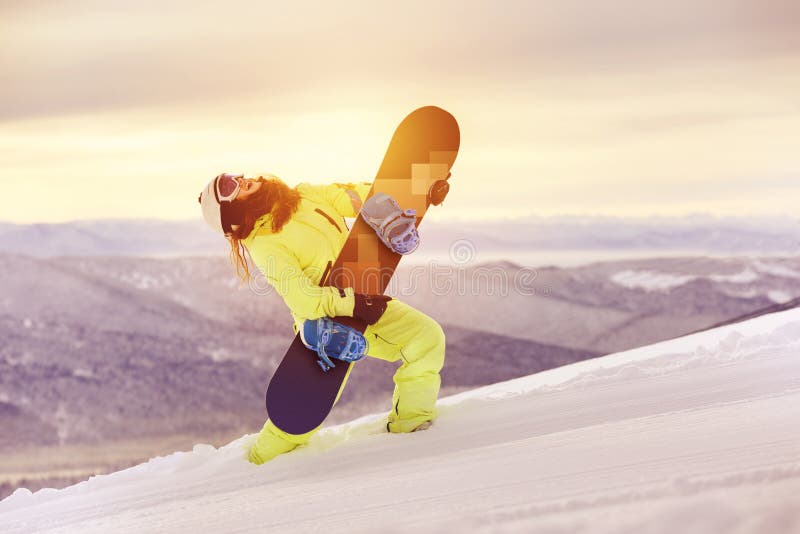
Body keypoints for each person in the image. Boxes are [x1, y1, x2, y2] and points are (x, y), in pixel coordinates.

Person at [198, 173, 446, 464]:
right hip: (328, 324)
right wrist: (354, 304)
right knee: (300, 415)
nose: (240, 179)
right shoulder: (265, 245)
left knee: (425, 337)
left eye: (234, 176)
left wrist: (420, 197)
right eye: (229, 186)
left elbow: (360, 198)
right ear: (232, 212)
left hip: (362, 299)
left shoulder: (304, 195)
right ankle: (253, 464)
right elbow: (303, 299)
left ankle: (412, 425)